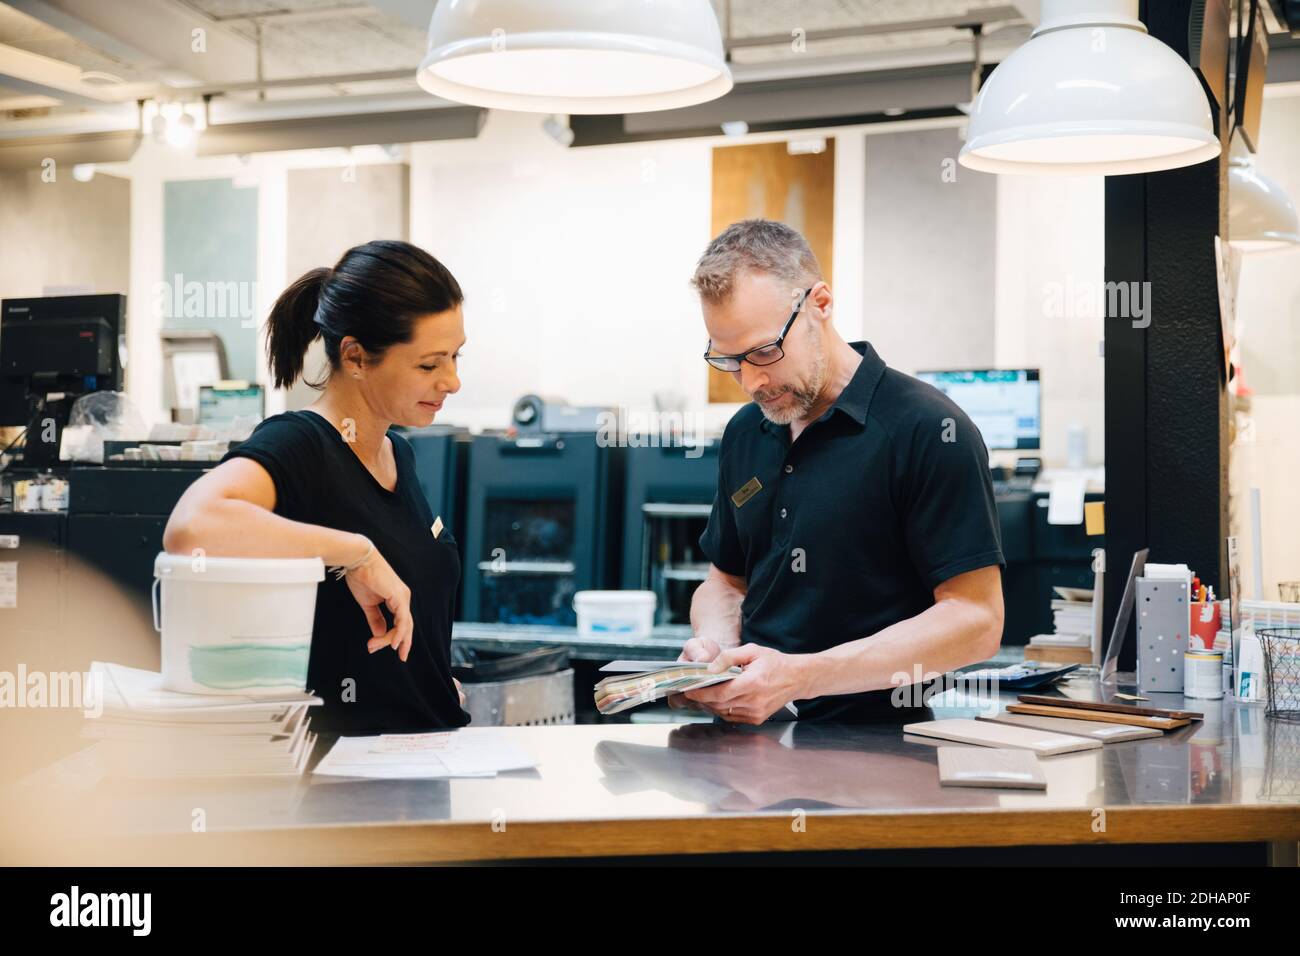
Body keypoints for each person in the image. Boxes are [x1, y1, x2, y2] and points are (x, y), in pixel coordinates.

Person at [673, 219, 1005, 724]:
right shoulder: (746, 432)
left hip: (882, 747)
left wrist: (803, 675)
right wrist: (714, 654)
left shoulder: (929, 429)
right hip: (750, 742)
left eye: (765, 351)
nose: (752, 381)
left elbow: (977, 620)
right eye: (729, 360)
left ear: (820, 303)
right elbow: (726, 582)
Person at [164, 240, 469, 733]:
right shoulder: (301, 443)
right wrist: (357, 553)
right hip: (339, 779)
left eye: (456, 357)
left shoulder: (400, 455)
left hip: (421, 761)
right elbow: (191, 526)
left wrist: (431, 680)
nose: (452, 381)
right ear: (355, 356)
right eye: (429, 365)